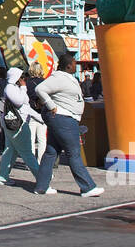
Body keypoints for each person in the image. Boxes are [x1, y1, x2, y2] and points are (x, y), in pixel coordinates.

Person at [32, 54, 104, 199]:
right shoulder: (58, 77)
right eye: (74, 63)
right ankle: (87, 187)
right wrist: (51, 105)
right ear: (68, 66)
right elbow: (40, 89)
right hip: (64, 118)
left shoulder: (65, 78)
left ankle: (41, 186)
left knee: (51, 152)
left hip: (63, 118)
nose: (76, 65)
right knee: (74, 153)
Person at [0, 67, 43, 188]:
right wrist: (23, 87)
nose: (23, 79)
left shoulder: (13, 87)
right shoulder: (10, 88)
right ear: (16, 77)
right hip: (17, 124)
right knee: (26, 151)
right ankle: (42, 179)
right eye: (21, 76)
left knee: (10, 151)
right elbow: (20, 102)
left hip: (16, 122)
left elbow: (25, 105)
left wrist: (39, 117)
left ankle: (3, 176)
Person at [24, 63, 50, 161]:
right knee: (42, 139)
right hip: (42, 113)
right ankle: (40, 161)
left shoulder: (27, 83)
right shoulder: (45, 82)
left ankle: (30, 162)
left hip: (30, 113)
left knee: (30, 140)